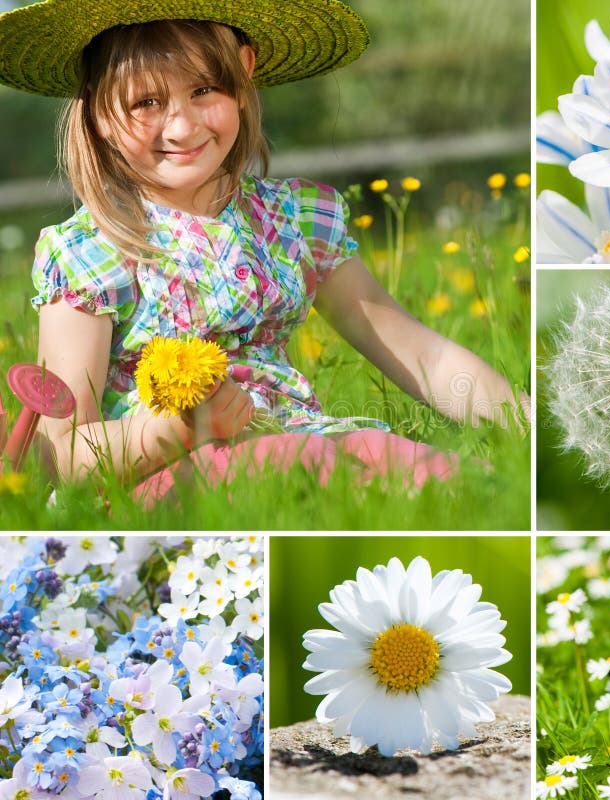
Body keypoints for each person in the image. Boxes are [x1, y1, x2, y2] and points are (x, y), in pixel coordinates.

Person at [0, 0, 529, 497]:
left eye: (205, 89)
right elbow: (62, 454)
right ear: (97, 113)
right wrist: (177, 430)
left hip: (305, 438)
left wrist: (527, 421)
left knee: (409, 463)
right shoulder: (91, 253)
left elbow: (422, 354)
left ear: (244, 72)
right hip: (169, 476)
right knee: (302, 459)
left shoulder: (293, 219)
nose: (183, 126)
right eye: (146, 102)